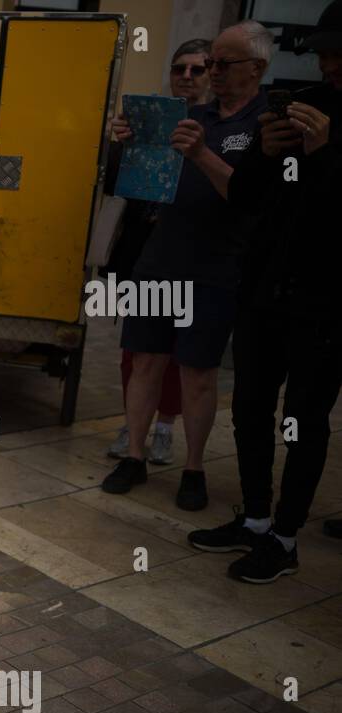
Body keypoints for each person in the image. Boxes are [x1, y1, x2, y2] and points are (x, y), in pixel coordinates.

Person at [189, 0, 342, 582]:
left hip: (323, 305)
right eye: (324, 52)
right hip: (263, 293)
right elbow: (251, 198)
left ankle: (285, 535)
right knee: (251, 410)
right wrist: (265, 153)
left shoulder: (327, 129)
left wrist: (323, 155)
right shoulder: (308, 108)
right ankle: (254, 519)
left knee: (302, 420)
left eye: (339, 53)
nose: (328, 64)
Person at [102, 21, 270, 510]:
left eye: (222, 64)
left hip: (215, 269)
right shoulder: (191, 114)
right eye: (207, 64)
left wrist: (200, 154)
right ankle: (134, 456)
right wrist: (126, 143)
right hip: (160, 260)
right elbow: (133, 185)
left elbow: (250, 199)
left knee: (197, 373)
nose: (211, 73)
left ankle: (193, 468)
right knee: (144, 361)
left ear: (256, 68)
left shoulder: (264, 127)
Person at [105, 38, 213, 466]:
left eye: (197, 69)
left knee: (182, 354)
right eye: (179, 68)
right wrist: (119, 144)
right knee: (139, 348)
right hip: (141, 251)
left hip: (193, 255)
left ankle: (165, 427)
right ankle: (134, 426)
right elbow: (116, 185)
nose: (186, 77)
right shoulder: (148, 117)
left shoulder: (217, 125)